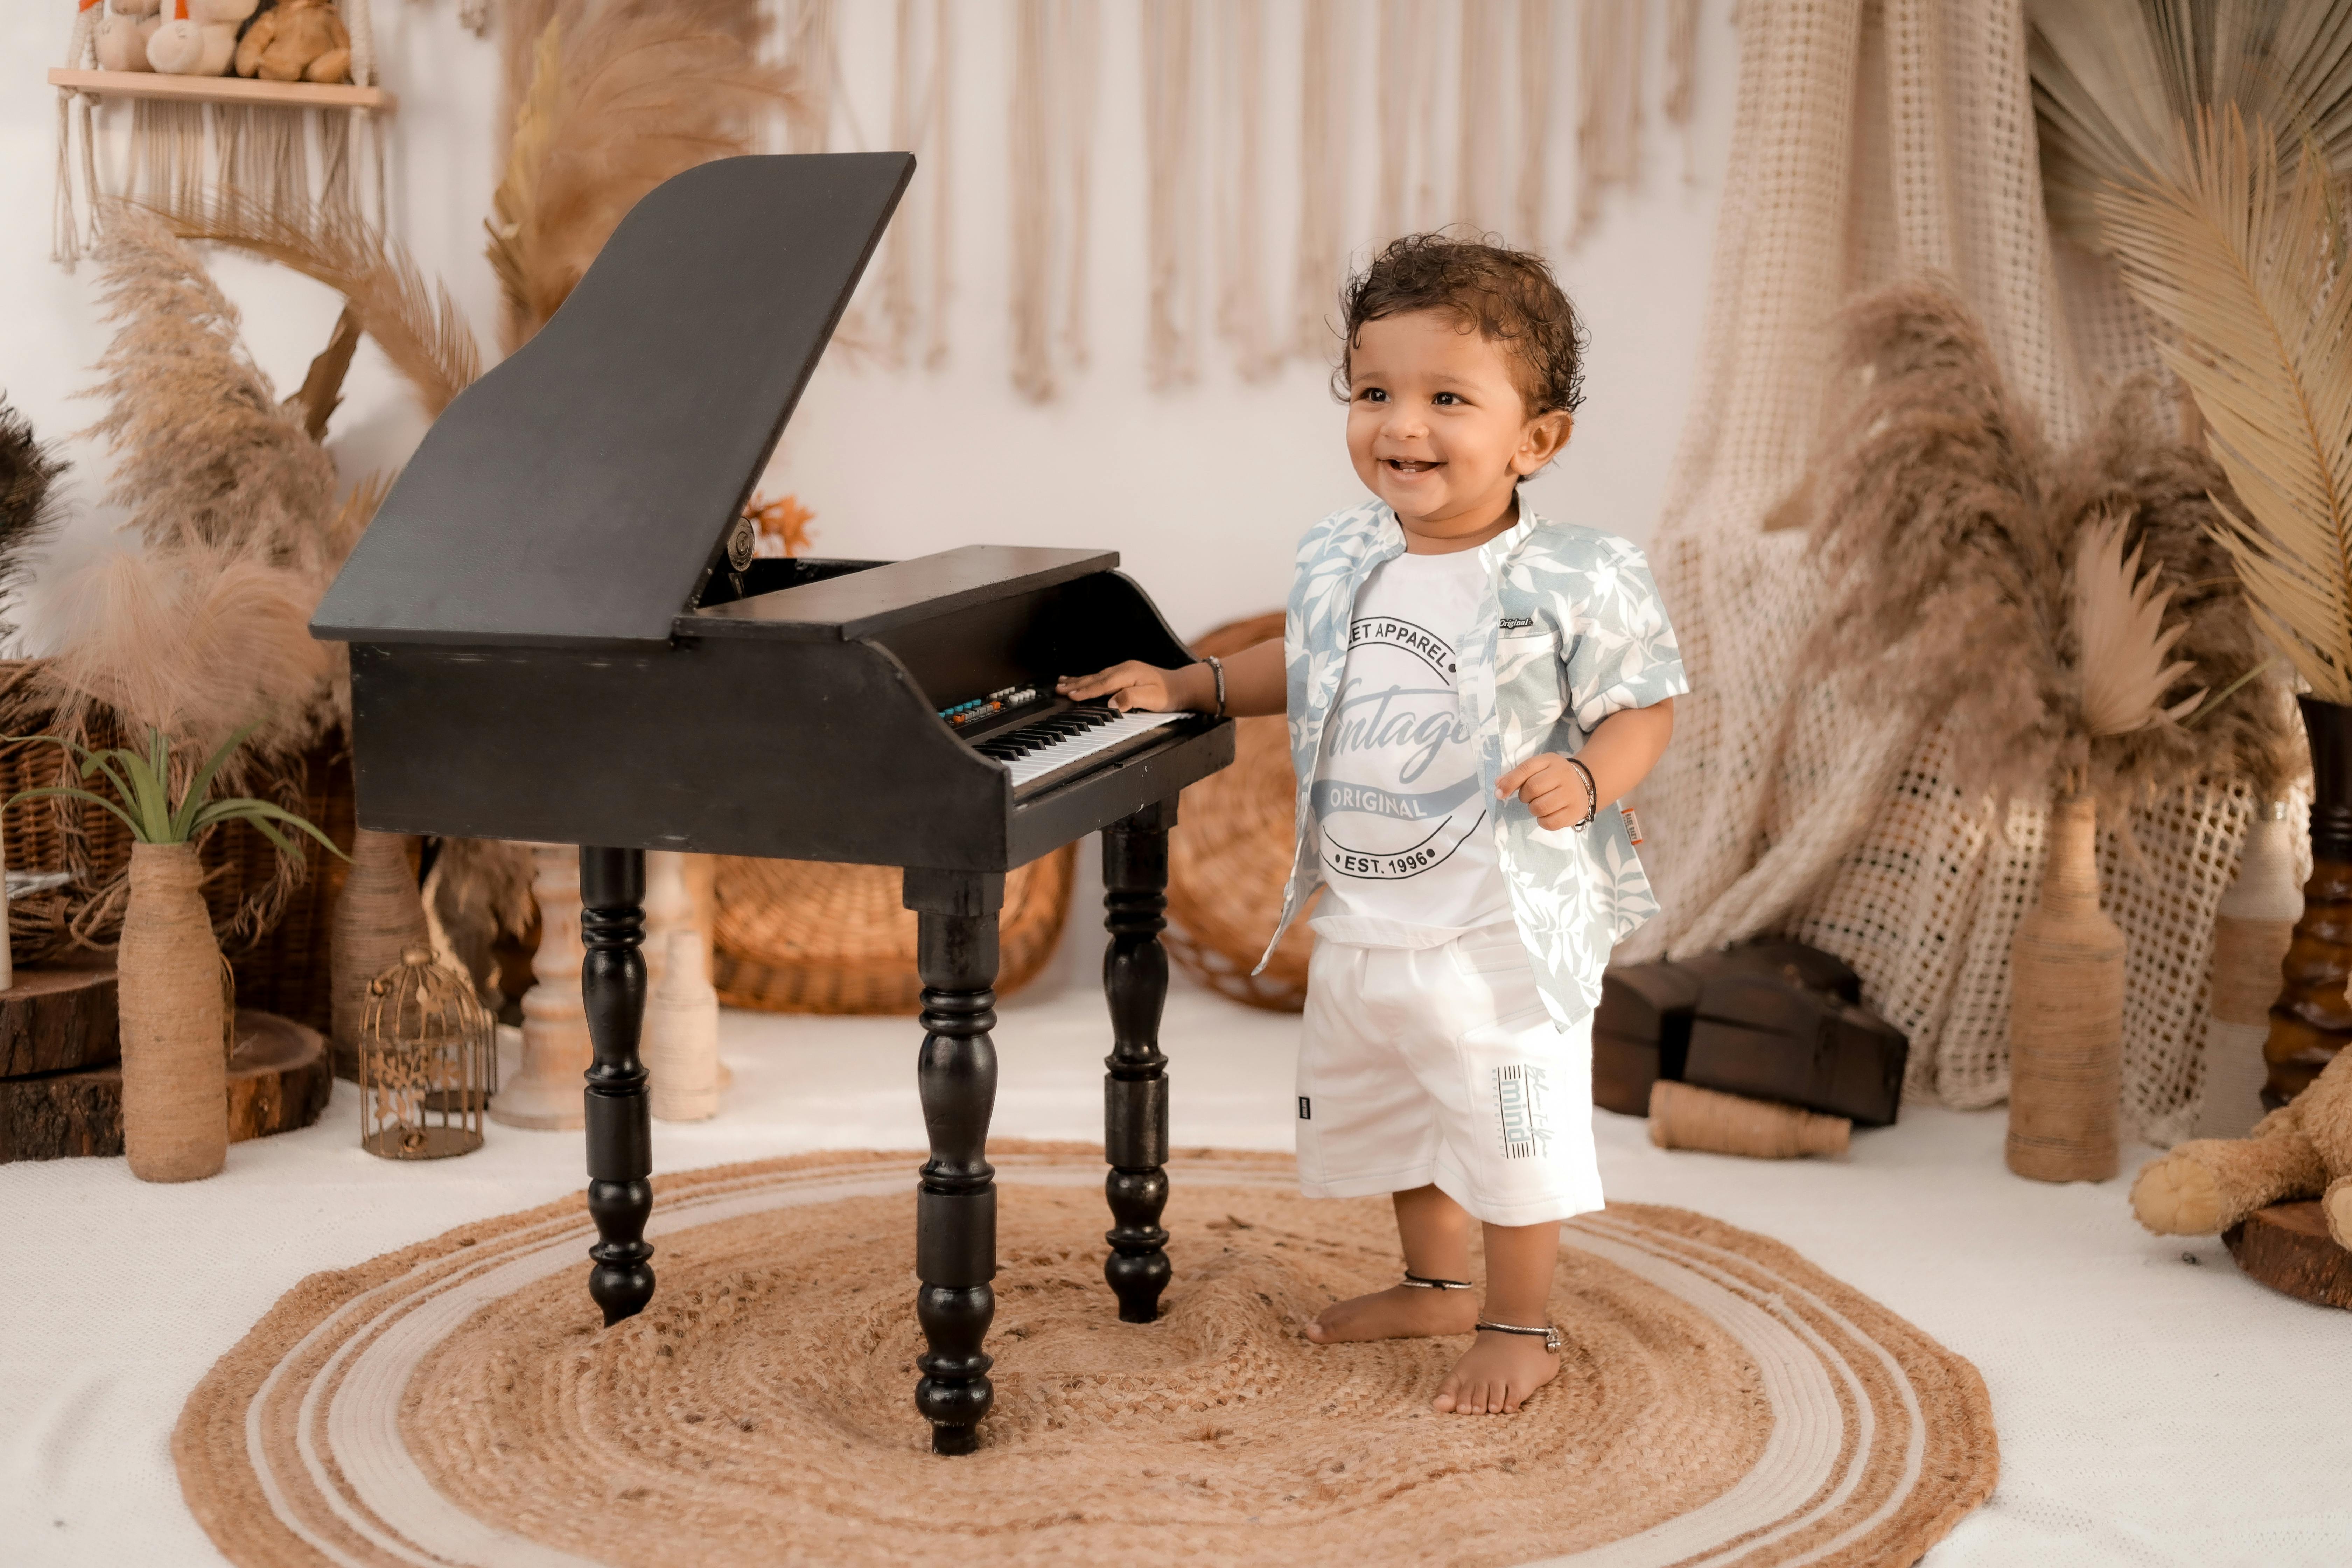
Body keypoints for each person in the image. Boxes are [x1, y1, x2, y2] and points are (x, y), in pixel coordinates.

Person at [1058, 233, 1685, 1416]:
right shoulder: (1345, 554)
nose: (1403, 425)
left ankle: (1518, 1323)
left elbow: (1643, 707)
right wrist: (1191, 685)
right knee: (1403, 1096)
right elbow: (1295, 666)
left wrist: (1593, 780)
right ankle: (1436, 1282)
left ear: (1535, 440)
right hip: (1373, 903)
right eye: (1375, 393)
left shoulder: (1579, 574)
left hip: (1506, 913)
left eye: (1449, 398)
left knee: (1509, 1110)